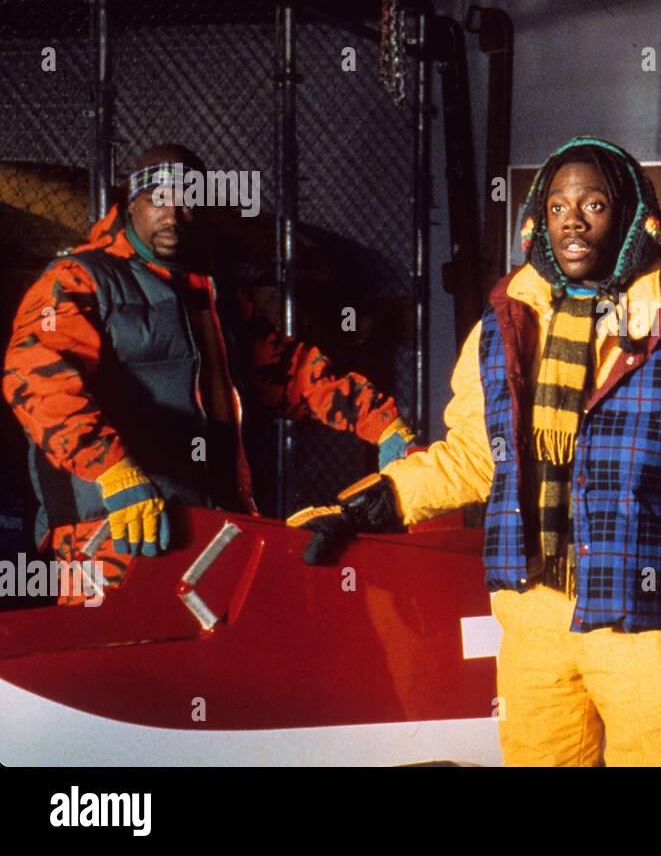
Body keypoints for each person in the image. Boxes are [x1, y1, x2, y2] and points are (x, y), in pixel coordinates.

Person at [291, 137, 661, 766]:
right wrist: (366, 506)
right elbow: (475, 454)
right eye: (558, 206)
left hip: (647, 617)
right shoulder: (506, 326)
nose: (573, 220)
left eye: (594, 204)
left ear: (635, 217)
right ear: (537, 220)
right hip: (535, 615)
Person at [2, 144, 415, 599]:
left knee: (215, 661)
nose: (174, 215)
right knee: (115, 660)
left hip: (211, 531)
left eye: (188, 200)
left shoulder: (212, 294)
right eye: (160, 198)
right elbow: (35, 380)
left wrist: (382, 423)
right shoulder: (78, 280)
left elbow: (287, 373)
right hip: (110, 534)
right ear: (132, 201)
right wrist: (112, 469)